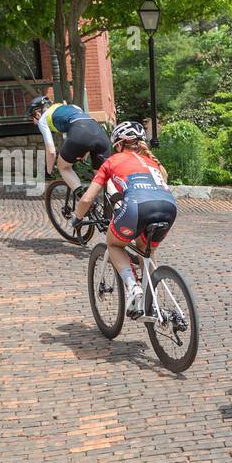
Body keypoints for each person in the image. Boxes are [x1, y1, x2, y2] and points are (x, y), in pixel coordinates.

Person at [73, 122, 174, 320]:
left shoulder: (112, 161)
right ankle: (151, 301)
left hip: (138, 208)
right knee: (147, 250)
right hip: (169, 208)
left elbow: (86, 199)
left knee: (114, 244)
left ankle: (133, 286)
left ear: (118, 144)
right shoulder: (153, 163)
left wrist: (76, 218)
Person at [30, 95, 112, 196]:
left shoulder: (42, 119)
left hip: (79, 132)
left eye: (32, 117)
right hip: (99, 132)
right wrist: (84, 151)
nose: (33, 122)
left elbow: (51, 151)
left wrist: (49, 171)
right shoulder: (72, 107)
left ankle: (83, 198)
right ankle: (116, 205)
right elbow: (86, 127)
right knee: (103, 176)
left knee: (63, 167)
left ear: (37, 113)